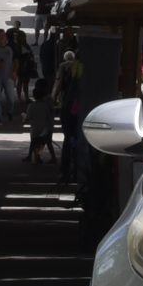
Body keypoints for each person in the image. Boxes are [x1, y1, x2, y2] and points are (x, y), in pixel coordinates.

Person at [54, 42, 87, 184]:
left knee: (68, 140)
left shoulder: (67, 68)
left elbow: (59, 84)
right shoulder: (85, 70)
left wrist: (53, 98)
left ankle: (66, 171)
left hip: (69, 108)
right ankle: (76, 171)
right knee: (77, 141)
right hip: (79, 110)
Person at [26, 78, 57, 165]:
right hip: (47, 125)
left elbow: (49, 112)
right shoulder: (48, 100)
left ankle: (47, 157)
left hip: (46, 125)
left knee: (43, 142)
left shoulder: (47, 101)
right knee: (41, 142)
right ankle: (34, 156)